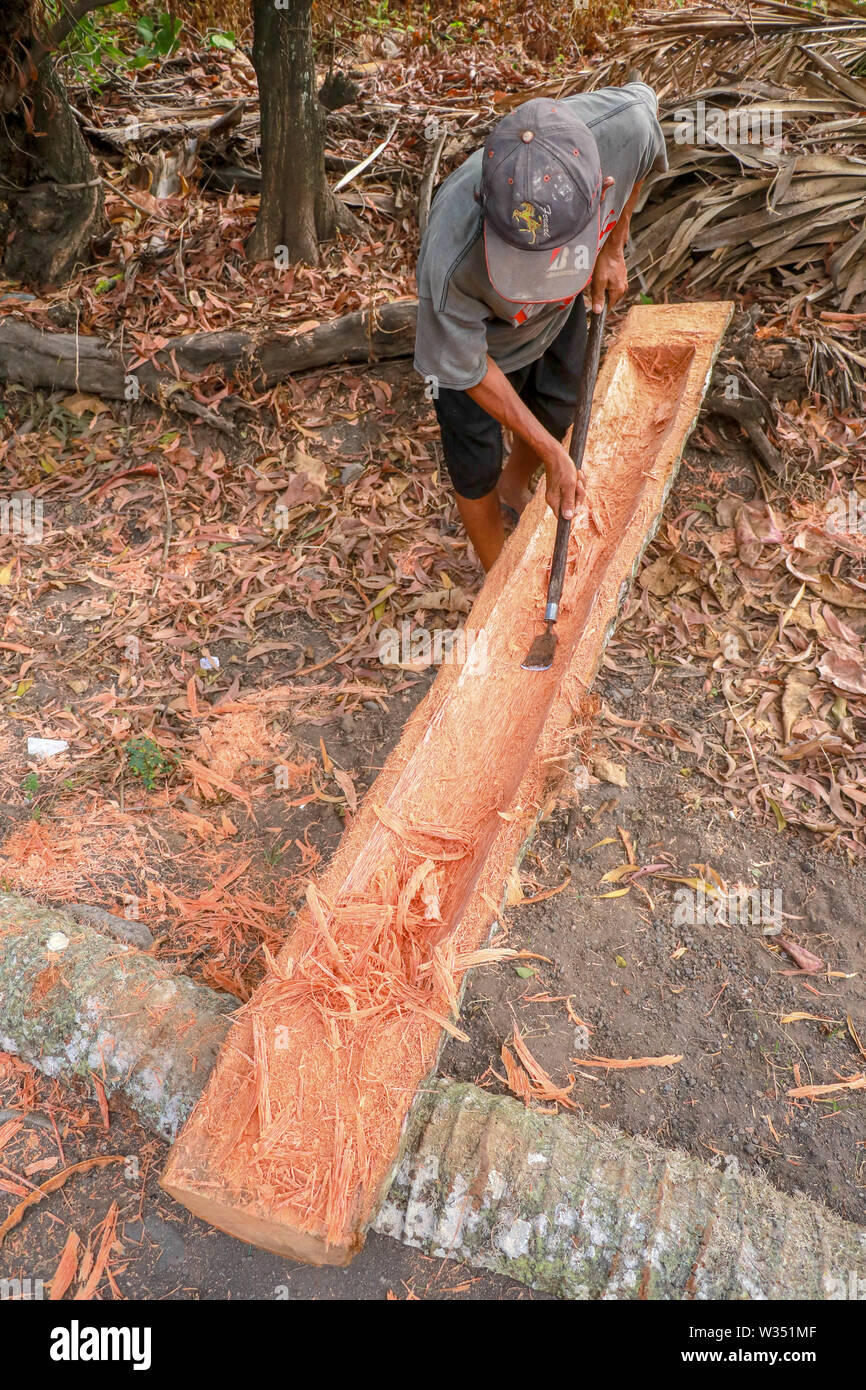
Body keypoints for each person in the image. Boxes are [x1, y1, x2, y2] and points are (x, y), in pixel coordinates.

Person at [414, 84, 668, 570]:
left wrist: (613, 247)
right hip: (485, 347)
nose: (534, 284)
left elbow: (643, 158)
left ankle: (516, 484)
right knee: (475, 460)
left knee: (561, 398)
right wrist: (553, 453)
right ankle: (495, 573)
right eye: (520, 263)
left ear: (599, 189)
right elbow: (466, 369)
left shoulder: (626, 127)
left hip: (564, 311)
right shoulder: (449, 260)